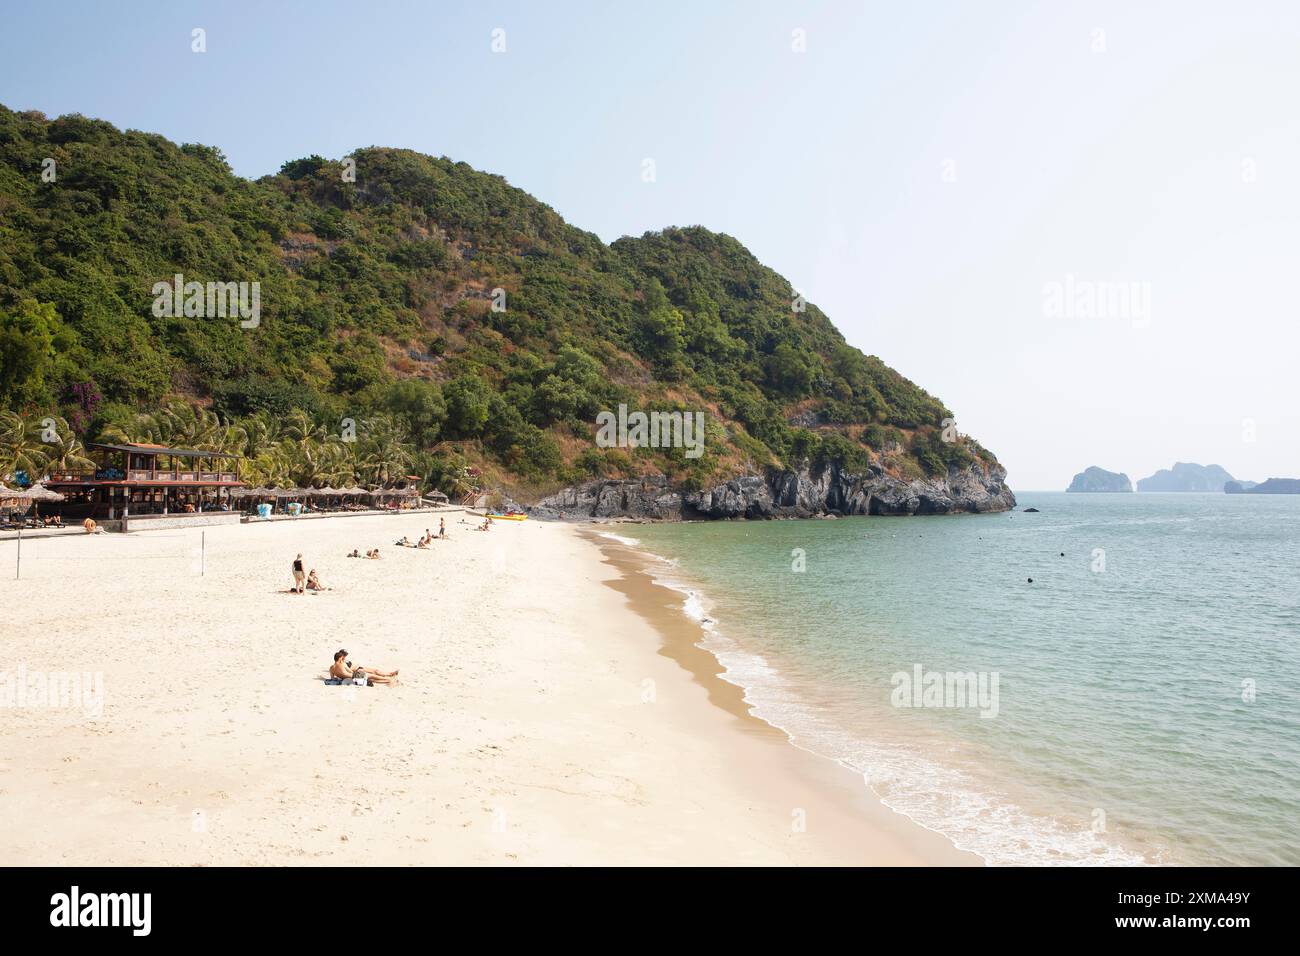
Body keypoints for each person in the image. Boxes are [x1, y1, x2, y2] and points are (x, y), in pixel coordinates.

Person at [330, 649, 398, 685]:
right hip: (354, 676)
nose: (342, 659)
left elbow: (332, 678)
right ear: (339, 658)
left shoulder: (331, 668)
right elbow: (350, 671)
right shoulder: (342, 664)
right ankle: (389, 679)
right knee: (371, 675)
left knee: (371, 679)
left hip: (348, 679)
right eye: (342, 658)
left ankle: (387, 680)